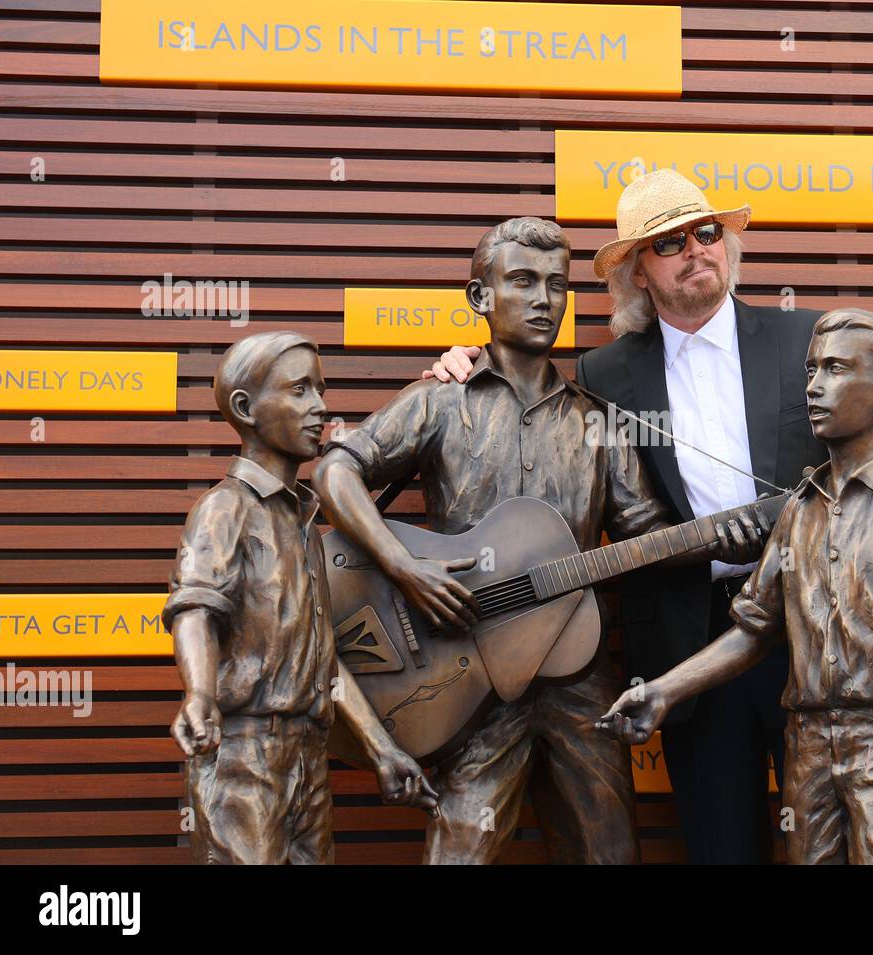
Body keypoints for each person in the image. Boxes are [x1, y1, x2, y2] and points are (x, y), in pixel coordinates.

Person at [312, 217, 767, 864]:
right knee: (459, 853)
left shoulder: (599, 417)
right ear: (480, 297)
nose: (543, 299)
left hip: (578, 676)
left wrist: (729, 533)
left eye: (557, 284)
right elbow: (336, 468)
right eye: (522, 280)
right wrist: (404, 564)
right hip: (464, 676)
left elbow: (647, 535)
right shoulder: (441, 400)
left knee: (609, 849)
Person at [424, 169, 825, 863]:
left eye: (708, 232)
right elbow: (521, 398)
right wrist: (463, 362)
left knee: (830, 844)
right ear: (638, 270)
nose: (698, 249)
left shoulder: (808, 339)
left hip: (810, 628)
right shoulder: (604, 374)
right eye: (670, 242)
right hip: (691, 644)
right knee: (722, 847)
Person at [597, 309, 873, 865]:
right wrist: (665, 690)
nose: (813, 385)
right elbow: (753, 631)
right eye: (810, 369)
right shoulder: (798, 510)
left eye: (834, 370)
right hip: (808, 748)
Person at [164, 331, 436, 865]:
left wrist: (382, 749)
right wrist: (198, 693)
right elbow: (194, 608)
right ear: (245, 408)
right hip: (243, 758)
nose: (320, 406)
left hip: (307, 757)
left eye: (320, 389)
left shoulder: (306, 522)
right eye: (299, 390)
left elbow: (325, 661)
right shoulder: (225, 509)